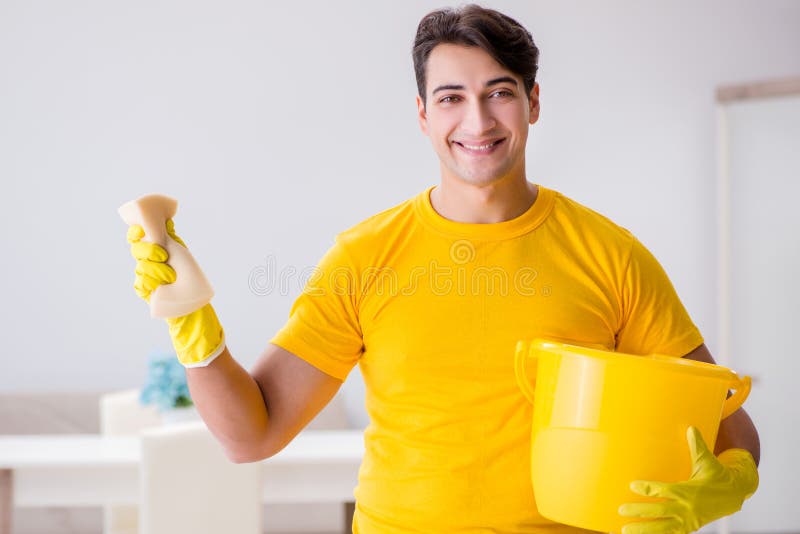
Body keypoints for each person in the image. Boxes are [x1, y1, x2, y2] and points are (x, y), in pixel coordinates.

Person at [126, 5, 759, 533]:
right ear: (424, 115)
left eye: (499, 93)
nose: (477, 122)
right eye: (451, 98)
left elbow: (732, 431)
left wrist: (716, 490)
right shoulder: (365, 257)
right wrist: (192, 324)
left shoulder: (611, 255)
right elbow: (251, 436)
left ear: (533, 102)